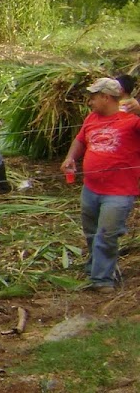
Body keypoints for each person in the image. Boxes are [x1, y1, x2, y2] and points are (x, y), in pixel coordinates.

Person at [61, 77, 140, 293]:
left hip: (119, 192)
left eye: (94, 97)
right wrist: (71, 158)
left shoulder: (132, 120)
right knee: (91, 231)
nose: (90, 101)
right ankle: (96, 268)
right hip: (91, 187)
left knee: (107, 234)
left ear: (106, 97)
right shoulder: (92, 118)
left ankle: (102, 279)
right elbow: (80, 140)